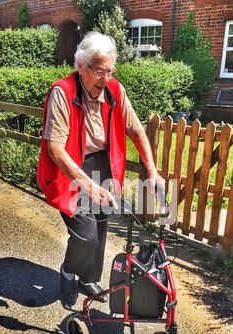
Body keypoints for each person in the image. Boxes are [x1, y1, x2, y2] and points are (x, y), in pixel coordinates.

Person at [37, 32, 165, 309]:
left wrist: (152, 171)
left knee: (102, 225)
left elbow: (135, 129)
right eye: (99, 71)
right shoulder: (63, 92)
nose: (106, 78)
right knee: (86, 234)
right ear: (81, 66)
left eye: (110, 71)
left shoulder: (115, 90)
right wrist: (89, 186)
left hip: (104, 164)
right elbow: (55, 149)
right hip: (72, 169)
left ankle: (88, 278)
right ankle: (68, 272)